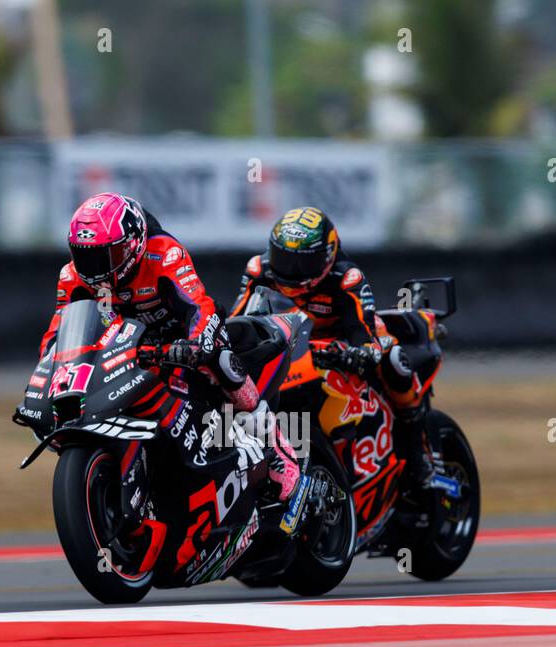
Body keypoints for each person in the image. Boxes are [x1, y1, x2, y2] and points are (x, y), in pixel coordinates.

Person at [40, 192, 303, 506]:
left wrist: (195, 344)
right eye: (85, 256)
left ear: (133, 244)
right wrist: (50, 371)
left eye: (105, 256)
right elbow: (58, 332)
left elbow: (200, 308)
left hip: (180, 336)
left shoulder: (163, 254)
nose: (94, 268)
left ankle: (276, 448)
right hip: (128, 347)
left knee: (219, 359)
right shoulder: (71, 277)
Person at [231, 206, 434, 487]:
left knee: (394, 359)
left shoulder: (346, 277)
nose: (290, 271)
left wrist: (359, 353)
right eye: (282, 258)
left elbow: (361, 332)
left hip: (342, 339)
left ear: (326, 256)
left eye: (301, 263)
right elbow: (239, 320)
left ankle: (417, 450)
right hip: (292, 343)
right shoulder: (258, 270)